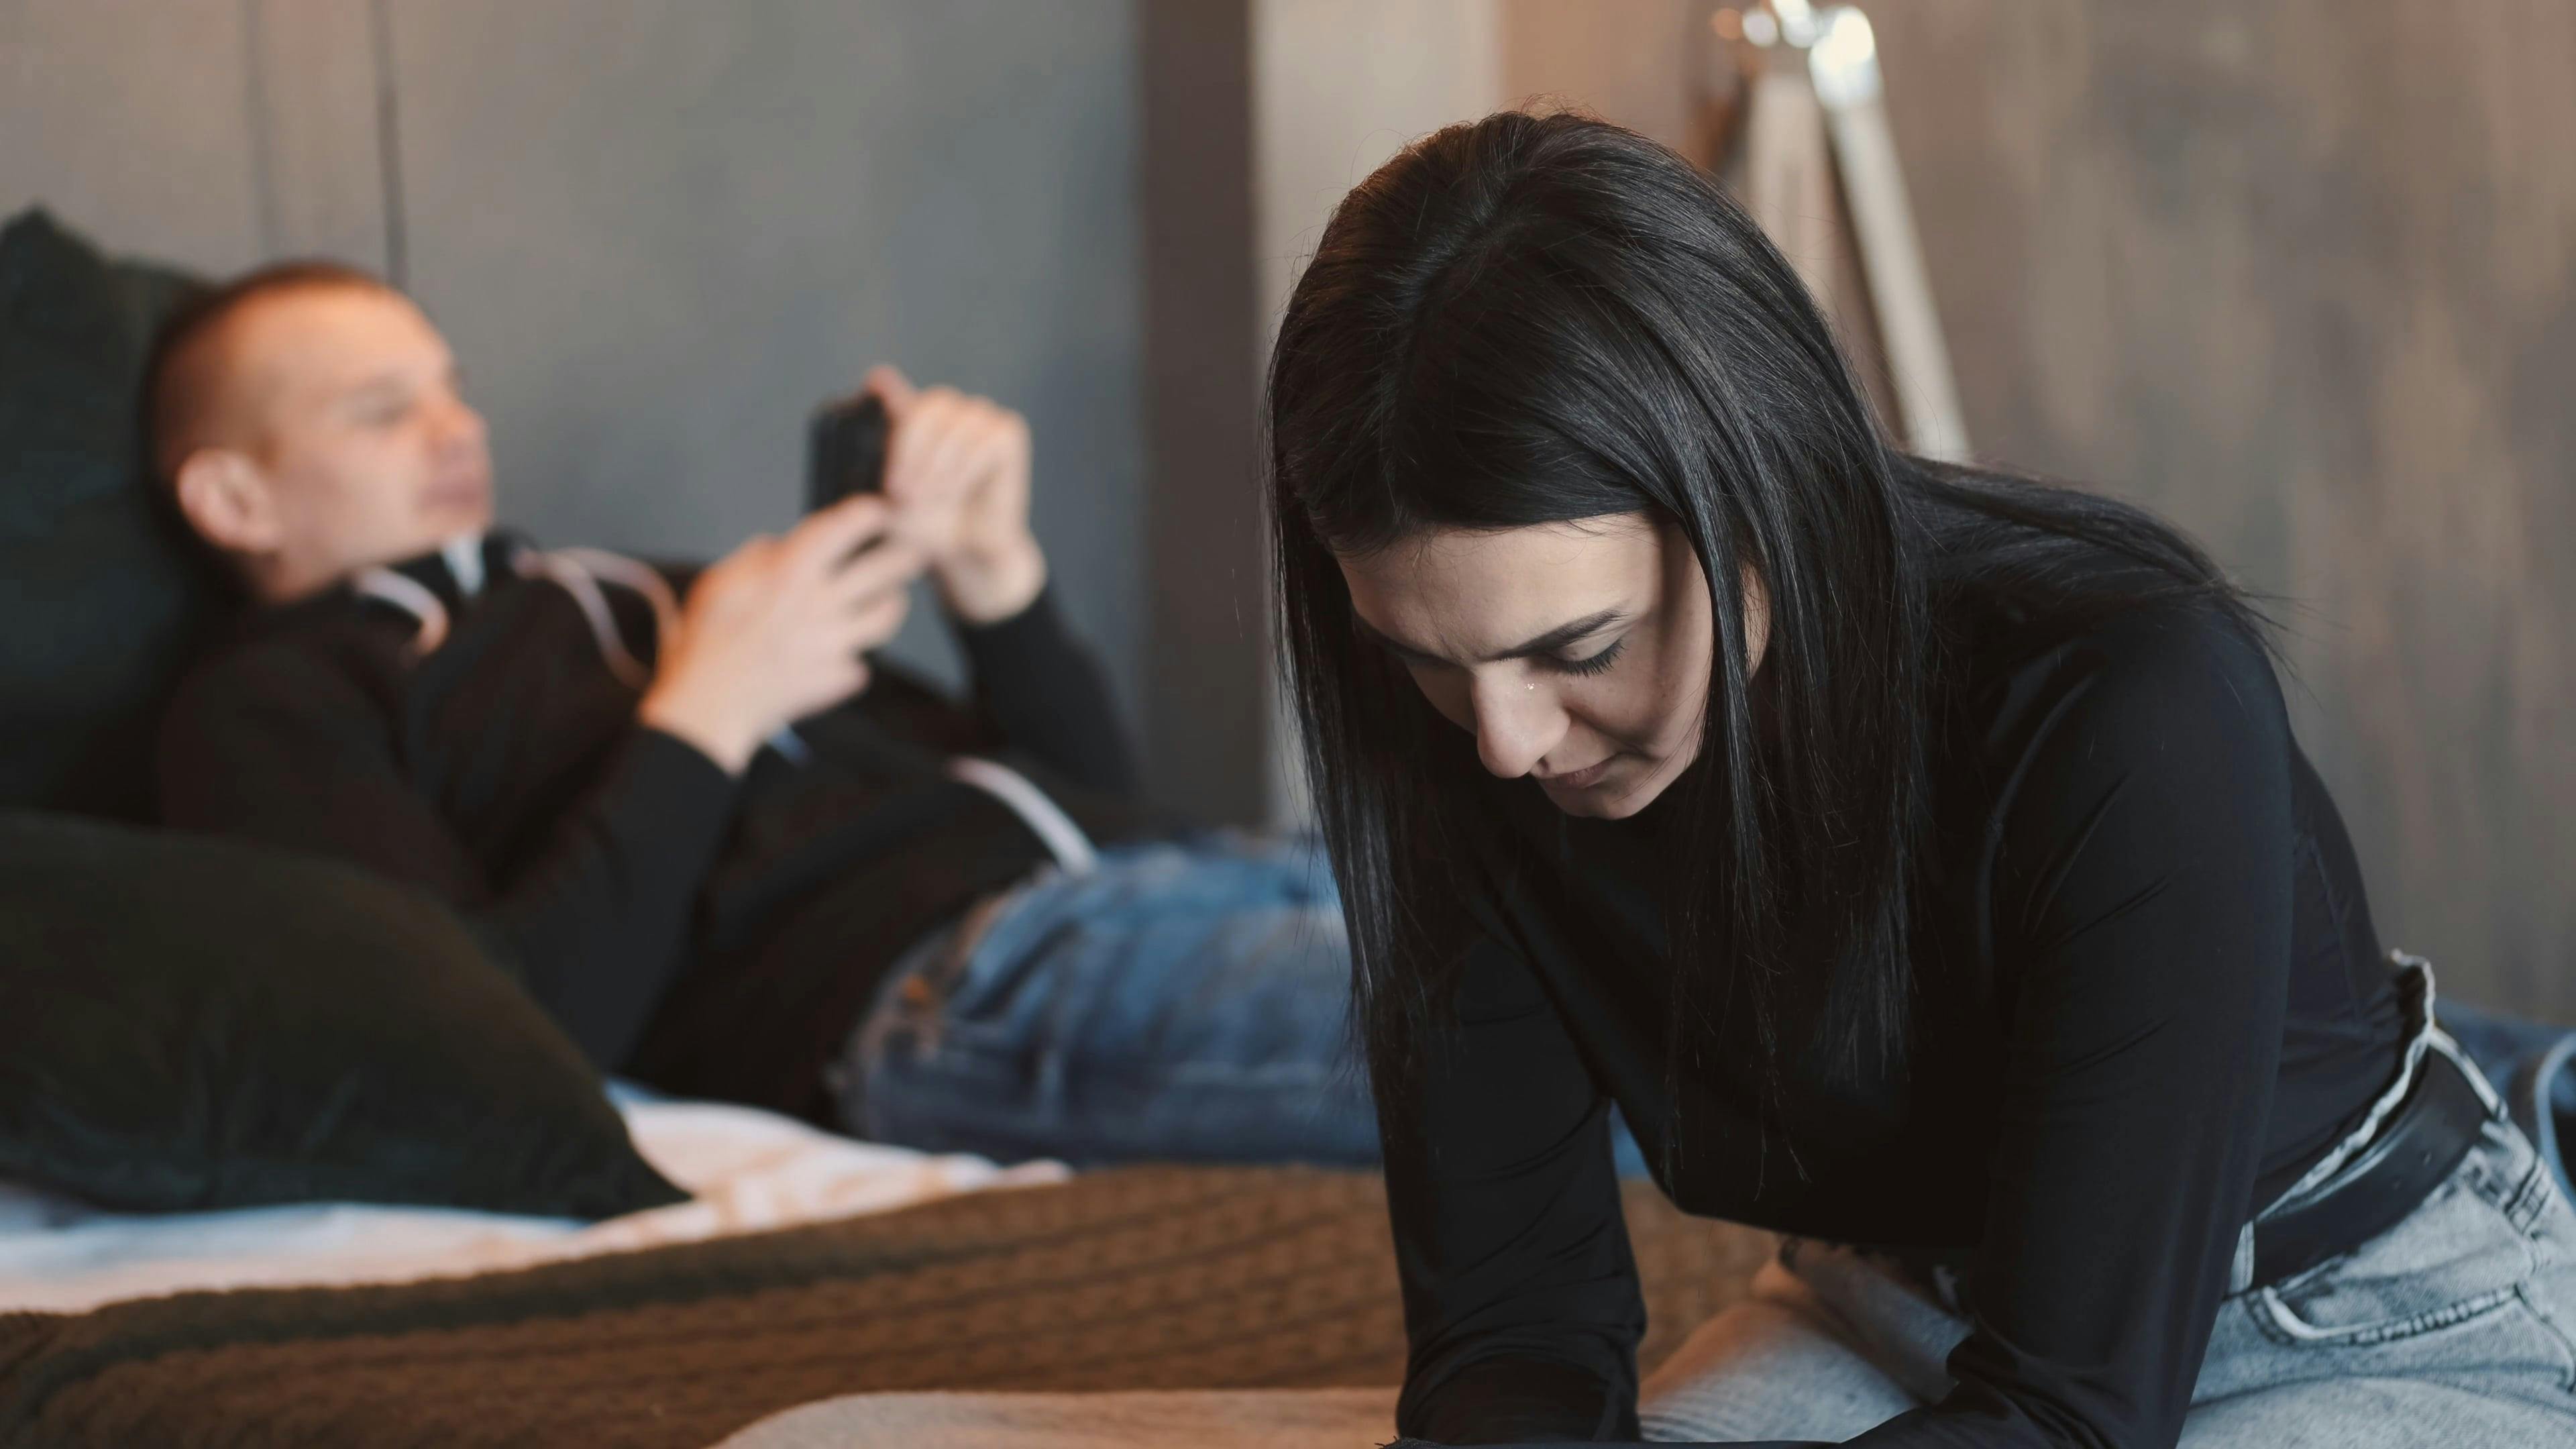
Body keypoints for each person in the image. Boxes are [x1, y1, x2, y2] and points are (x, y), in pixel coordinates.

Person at [1266, 112, 2576, 1447]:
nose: (1504, 741)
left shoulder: (2128, 702)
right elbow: (1514, 1341)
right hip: (1890, 1313)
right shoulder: (1451, 735)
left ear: (1752, 492)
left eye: (1581, 649)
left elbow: (2069, 1414)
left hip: (2359, 1319)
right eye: (1426, 658)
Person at [145, 260, 1374, 1170]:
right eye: (381, 410)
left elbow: (1106, 807)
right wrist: (706, 714)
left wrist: (993, 578)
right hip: (945, 987)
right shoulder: (270, 701)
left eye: (451, 391)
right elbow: (491, 1036)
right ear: (234, 497)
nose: (456, 427)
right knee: (1536, 1012)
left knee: (1557, 883)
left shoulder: (634, 590)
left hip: (1171, 881)